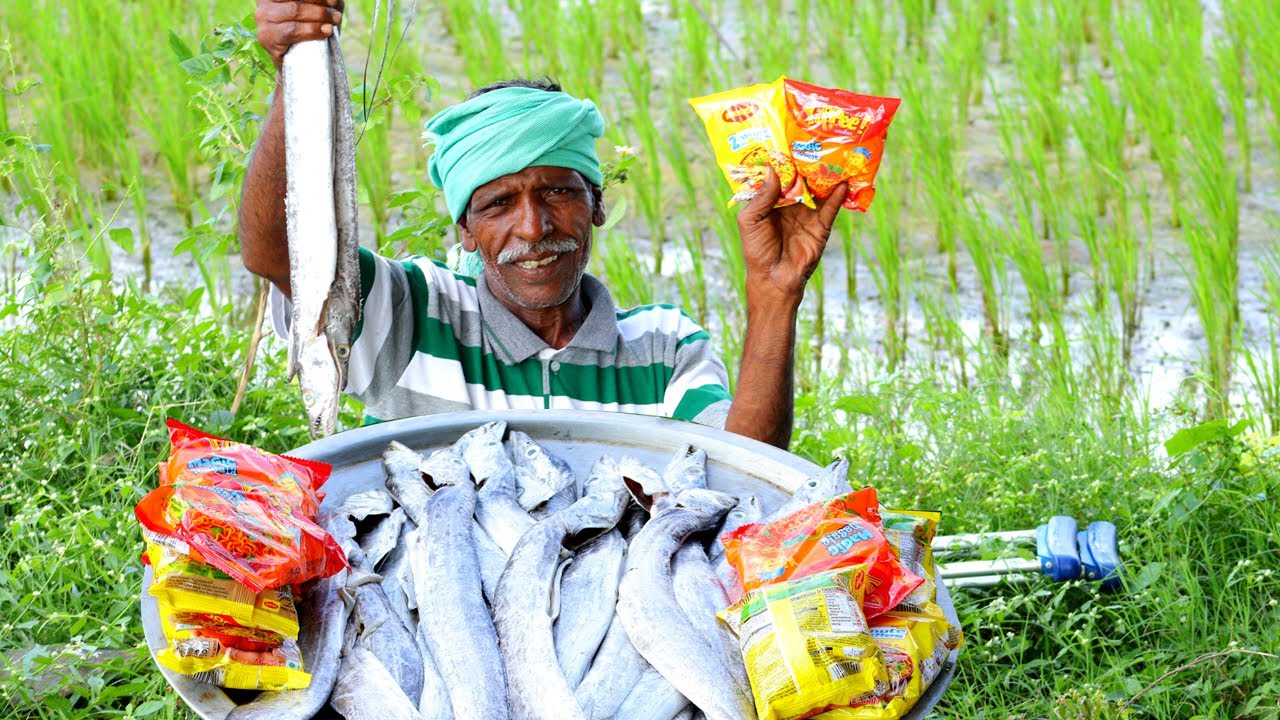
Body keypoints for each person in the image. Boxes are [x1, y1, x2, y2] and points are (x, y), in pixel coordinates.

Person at [240, 0, 849, 450]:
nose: (532, 228)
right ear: (465, 231)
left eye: (558, 192)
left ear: (597, 204)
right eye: (499, 204)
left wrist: (775, 295)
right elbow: (279, 257)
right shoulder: (414, 315)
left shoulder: (665, 350)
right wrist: (295, 66)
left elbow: (746, 482)